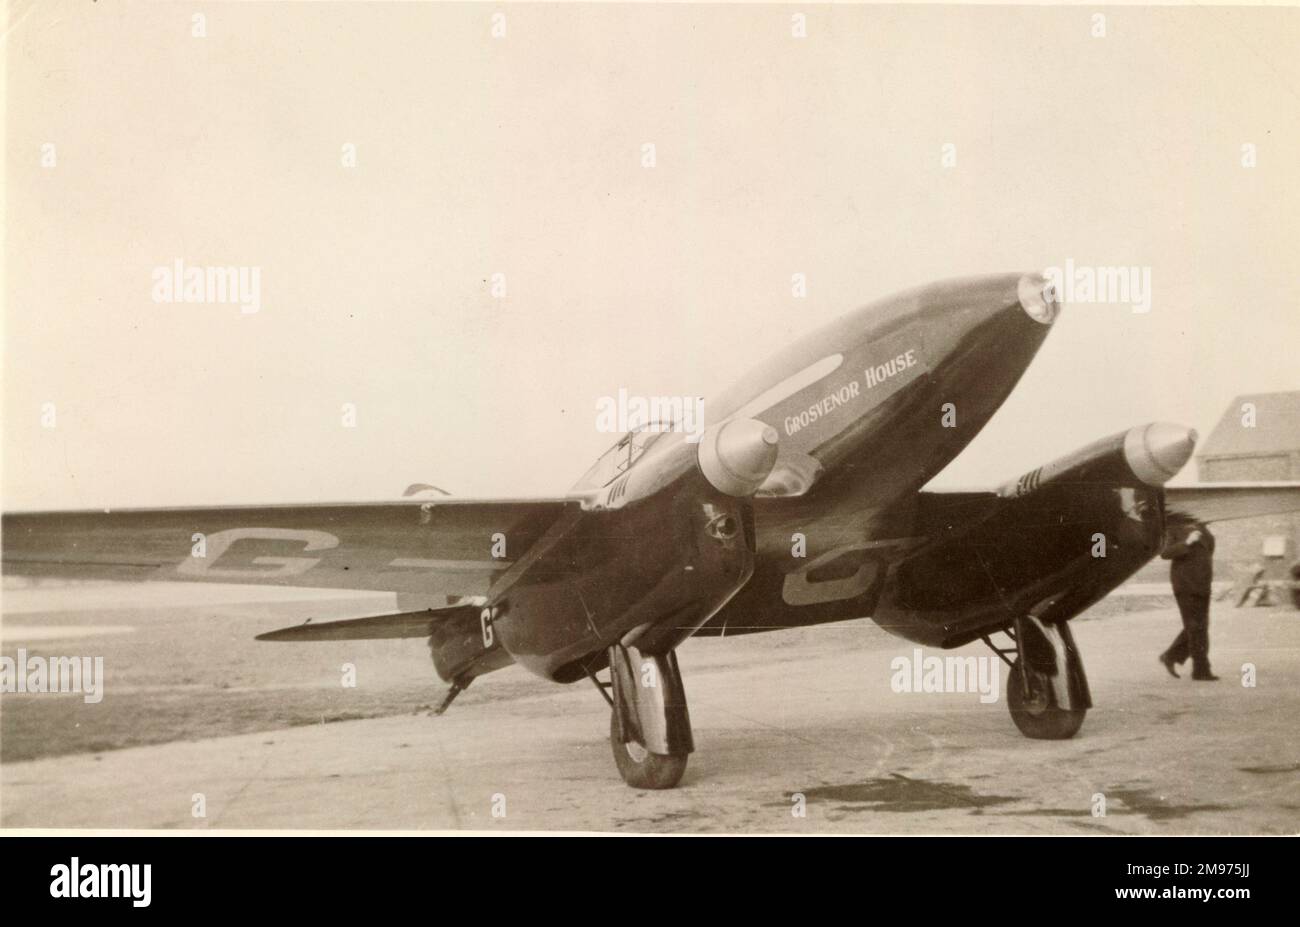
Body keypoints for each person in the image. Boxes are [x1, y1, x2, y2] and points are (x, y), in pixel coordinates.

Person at [1158, 516, 1219, 681]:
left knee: (1200, 626)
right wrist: (1187, 542)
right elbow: (1165, 553)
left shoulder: (1204, 529)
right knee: (1195, 627)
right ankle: (1201, 670)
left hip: (1202, 585)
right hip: (1185, 585)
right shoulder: (1174, 527)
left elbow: (1208, 553)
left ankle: (1171, 656)